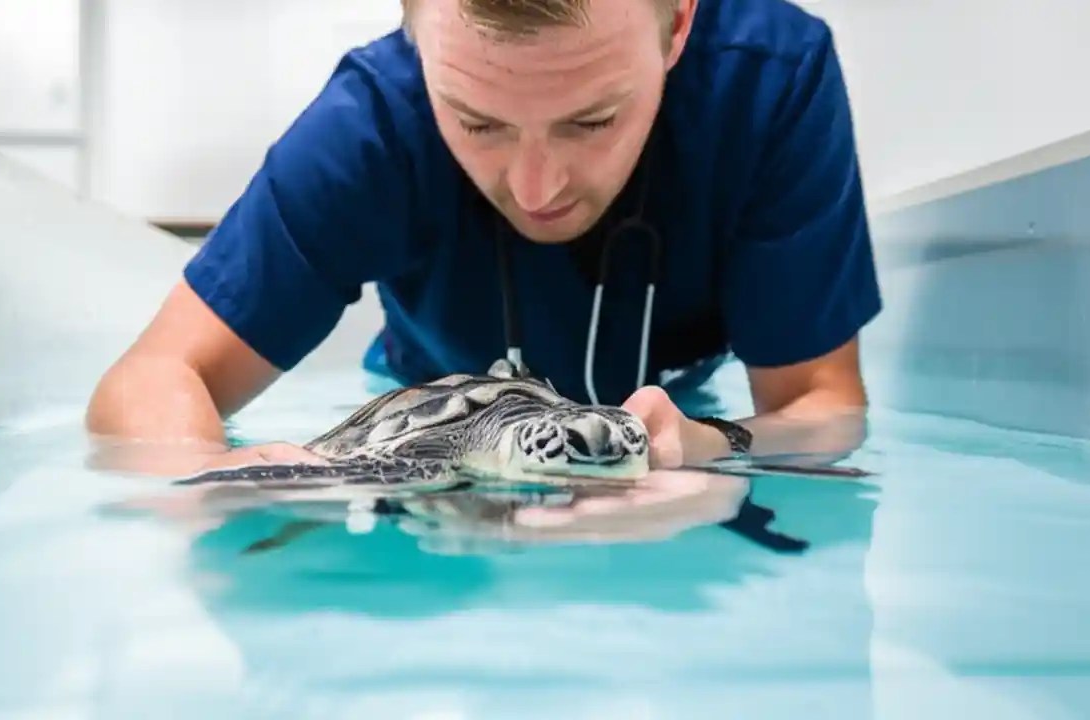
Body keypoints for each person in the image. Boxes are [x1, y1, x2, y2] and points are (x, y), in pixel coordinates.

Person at [85, 0, 881, 478]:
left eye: (593, 119)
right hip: (427, 428)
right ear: (415, 33)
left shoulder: (770, 81)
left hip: (682, 413)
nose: (538, 191)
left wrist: (706, 446)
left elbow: (824, 409)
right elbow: (152, 377)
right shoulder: (371, 126)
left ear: (677, 25)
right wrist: (218, 476)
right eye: (477, 121)